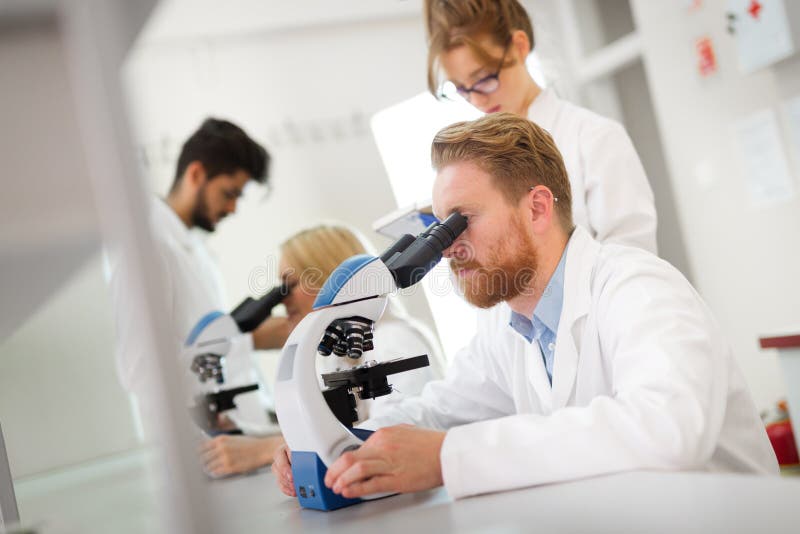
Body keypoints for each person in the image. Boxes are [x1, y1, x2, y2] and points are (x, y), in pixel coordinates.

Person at [272, 113, 778, 500]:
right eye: (439, 227)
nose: (446, 246)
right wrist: (332, 442)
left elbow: (668, 432)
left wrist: (452, 459)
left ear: (537, 207)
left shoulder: (637, 287)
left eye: (461, 220)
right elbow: (439, 411)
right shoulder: (510, 326)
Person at [201, 224, 444, 477]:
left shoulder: (393, 339)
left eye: (290, 284)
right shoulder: (339, 352)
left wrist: (260, 451)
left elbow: (393, 435)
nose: (282, 300)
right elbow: (328, 425)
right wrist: (245, 433)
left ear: (331, 278)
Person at [424, 0, 658, 253]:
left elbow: (633, 258)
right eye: (461, 89)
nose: (477, 99)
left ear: (519, 46)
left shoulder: (595, 138)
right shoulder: (481, 166)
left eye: (484, 79)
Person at [111, 118, 288, 431]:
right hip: (200, 443)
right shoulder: (148, 247)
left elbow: (213, 345)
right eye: (229, 193)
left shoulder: (196, 248)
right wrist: (249, 340)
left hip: (242, 431)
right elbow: (141, 371)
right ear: (196, 174)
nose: (233, 208)